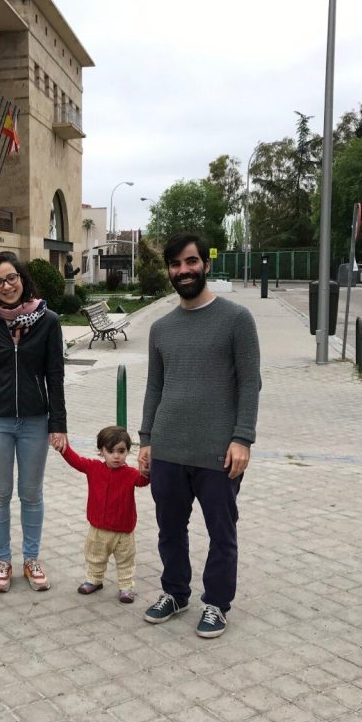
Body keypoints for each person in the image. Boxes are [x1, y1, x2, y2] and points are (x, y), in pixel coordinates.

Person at [139, 232, 261, 638]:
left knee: (220, 533)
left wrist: (242, 438)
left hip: (217, 452)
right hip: (169, 448)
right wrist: (146, 440)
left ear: (205, 265)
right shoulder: (161, 328)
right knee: (169, 529)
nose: (183, 271)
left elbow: (249, 383)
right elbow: (154, 387)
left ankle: (216, 603)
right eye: (175, 265)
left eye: (190, 262)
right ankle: (175, 592)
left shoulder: (236, 320)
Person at [0, 251, 67, 592]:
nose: (7, 286)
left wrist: (58, 424)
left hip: (36, 421)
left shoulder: (48, 320)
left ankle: (31, 559)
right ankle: (3, 561)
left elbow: (55, 375)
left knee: (31, 493)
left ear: (22, 280)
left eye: (11, 278)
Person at [56, 425, 150, 603]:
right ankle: (94, 579)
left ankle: (126, 586)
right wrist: (63, 448)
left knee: (125, 561)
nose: (116, 456)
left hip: (124, 531)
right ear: (101, 451)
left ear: (128, 452)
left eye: (121, 451)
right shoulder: (93, 468)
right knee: (94, 556)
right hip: (97, 528)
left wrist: (147, 471)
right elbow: (75, 460)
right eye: (111, 451)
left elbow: (142, 481)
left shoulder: (130, 474)